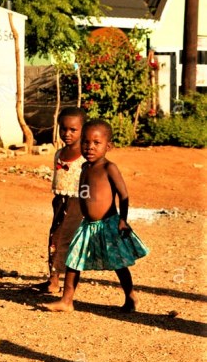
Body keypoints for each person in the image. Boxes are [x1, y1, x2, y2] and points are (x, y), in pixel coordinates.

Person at [42, 119, 149, 313]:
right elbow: (84, 193)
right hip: (87, 225)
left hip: (108, 224)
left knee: (119, 263)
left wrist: (123, 220)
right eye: (85, 142)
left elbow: (123, 194)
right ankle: (66, 301)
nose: (89, 147)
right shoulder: (84, 167)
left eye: (96, 143)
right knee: (73, 260)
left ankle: (131, 296)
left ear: (108, 146)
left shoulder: (109, 168)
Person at [31, 107, 86, 293]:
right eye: (63, 129)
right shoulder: (59, 153)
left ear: (83, 130)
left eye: (73, 130)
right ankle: (53, 280)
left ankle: (69, 286)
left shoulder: (86, 157)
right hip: (60, 202)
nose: (67, 134)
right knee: (54, 238)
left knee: (69, 242)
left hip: (78, 204)